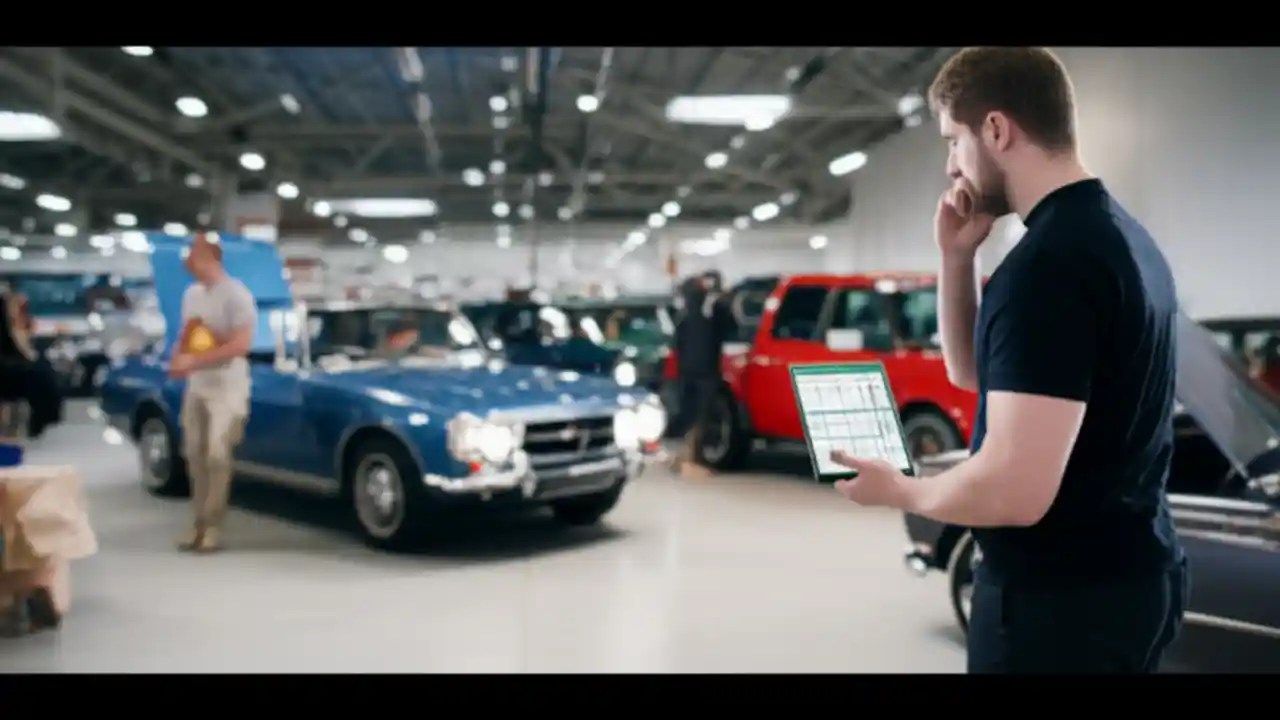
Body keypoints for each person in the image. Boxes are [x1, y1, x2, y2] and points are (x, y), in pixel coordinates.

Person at [828, 47, 1188, 673]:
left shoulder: (1050, 268)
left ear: (996, 130)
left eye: (953, 141)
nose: (951, 166)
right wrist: (957, 258)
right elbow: (973, 375)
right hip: (1126, 580)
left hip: (1060, 609)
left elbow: (1013, 491)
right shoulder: (1118, 235)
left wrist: (902, 491)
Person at [170, 234, 257, 553]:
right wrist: (178, 358)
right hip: (198, 386)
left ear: (210, 257)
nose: (188, 265)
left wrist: (196, 359)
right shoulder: (191, 294)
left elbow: (240, 345)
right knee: (194, 454)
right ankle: (197, 524)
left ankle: (213, 526)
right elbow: (189, 332)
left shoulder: (237, 295)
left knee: (217, 454)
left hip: (227, 387)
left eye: (193, 258)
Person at [670, 272, 735, 478]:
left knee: (690, 415)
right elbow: (729, 328)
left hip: (688, 373)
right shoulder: (709, 318)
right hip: (704, 373)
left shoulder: (684, 320)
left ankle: (686, 458)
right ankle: (690, 460)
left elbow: (677, 346)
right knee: (700, 417)